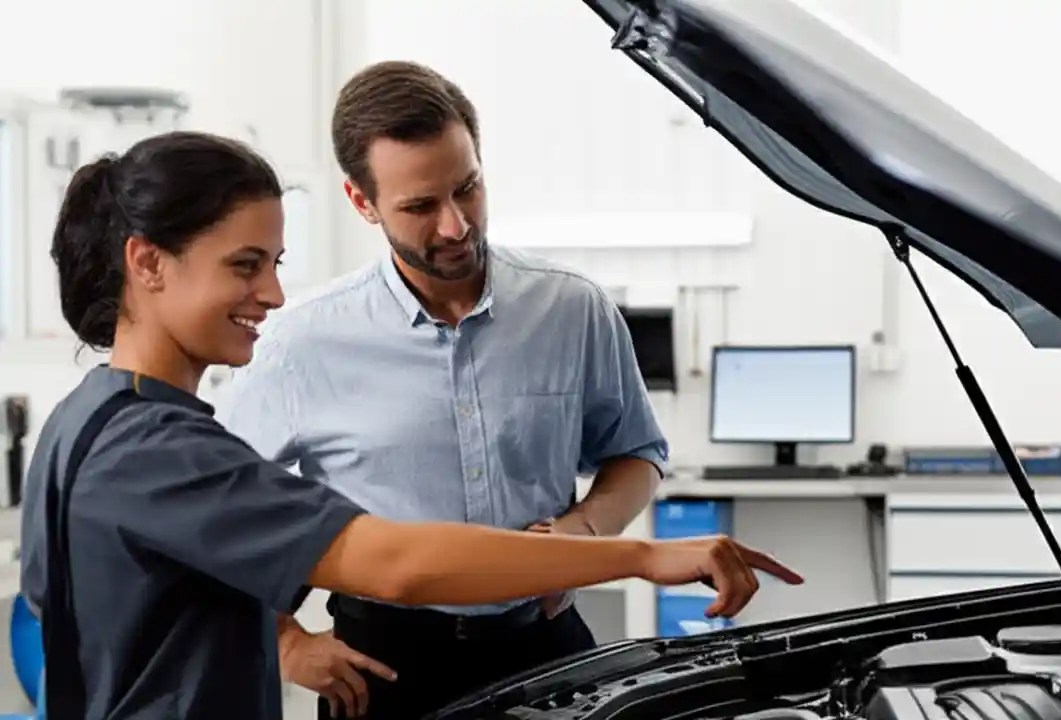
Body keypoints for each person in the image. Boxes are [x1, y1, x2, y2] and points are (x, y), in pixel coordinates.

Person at [18, 131, 803, 720]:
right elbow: (394, 563)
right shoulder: (157, 451)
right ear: (147, 263)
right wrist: (640, 554)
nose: (275, 294)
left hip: (535, 637)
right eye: (245, 265)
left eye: (276, 263)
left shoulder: (89, 420)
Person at [213, 61, 681, 718]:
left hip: (547, 654)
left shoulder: (572, 311)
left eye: (468, 189)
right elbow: (217, 516)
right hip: (384, 671)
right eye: (421, 206)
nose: (456, 225)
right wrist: (284, 639)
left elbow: (637, 453)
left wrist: (586, 527)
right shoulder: (298, 344)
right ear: (361, 201)